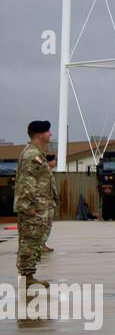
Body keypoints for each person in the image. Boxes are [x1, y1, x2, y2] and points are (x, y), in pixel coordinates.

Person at [14, 120, 57, 290]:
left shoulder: (37, 154)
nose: (50, 134)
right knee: (28, 242)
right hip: (32, 208)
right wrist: (29, 208)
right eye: (47, 131)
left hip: (38, 207)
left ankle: (29, 276)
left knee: (33, 242)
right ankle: (26, 278)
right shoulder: (32, 155)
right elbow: (26, 183)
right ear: (39, 134)